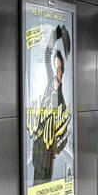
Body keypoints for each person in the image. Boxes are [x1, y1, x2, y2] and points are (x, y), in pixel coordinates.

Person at [30, 26, 71, 184]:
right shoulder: (46, 85)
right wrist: (56, 34)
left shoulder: (61, 101)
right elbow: (48, 54)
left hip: (48, 158)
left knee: (44, 184)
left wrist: (55, 149)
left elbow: (65, 134)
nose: (57, 73)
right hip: (39, 154)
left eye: (60, 70)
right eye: (55, 69)